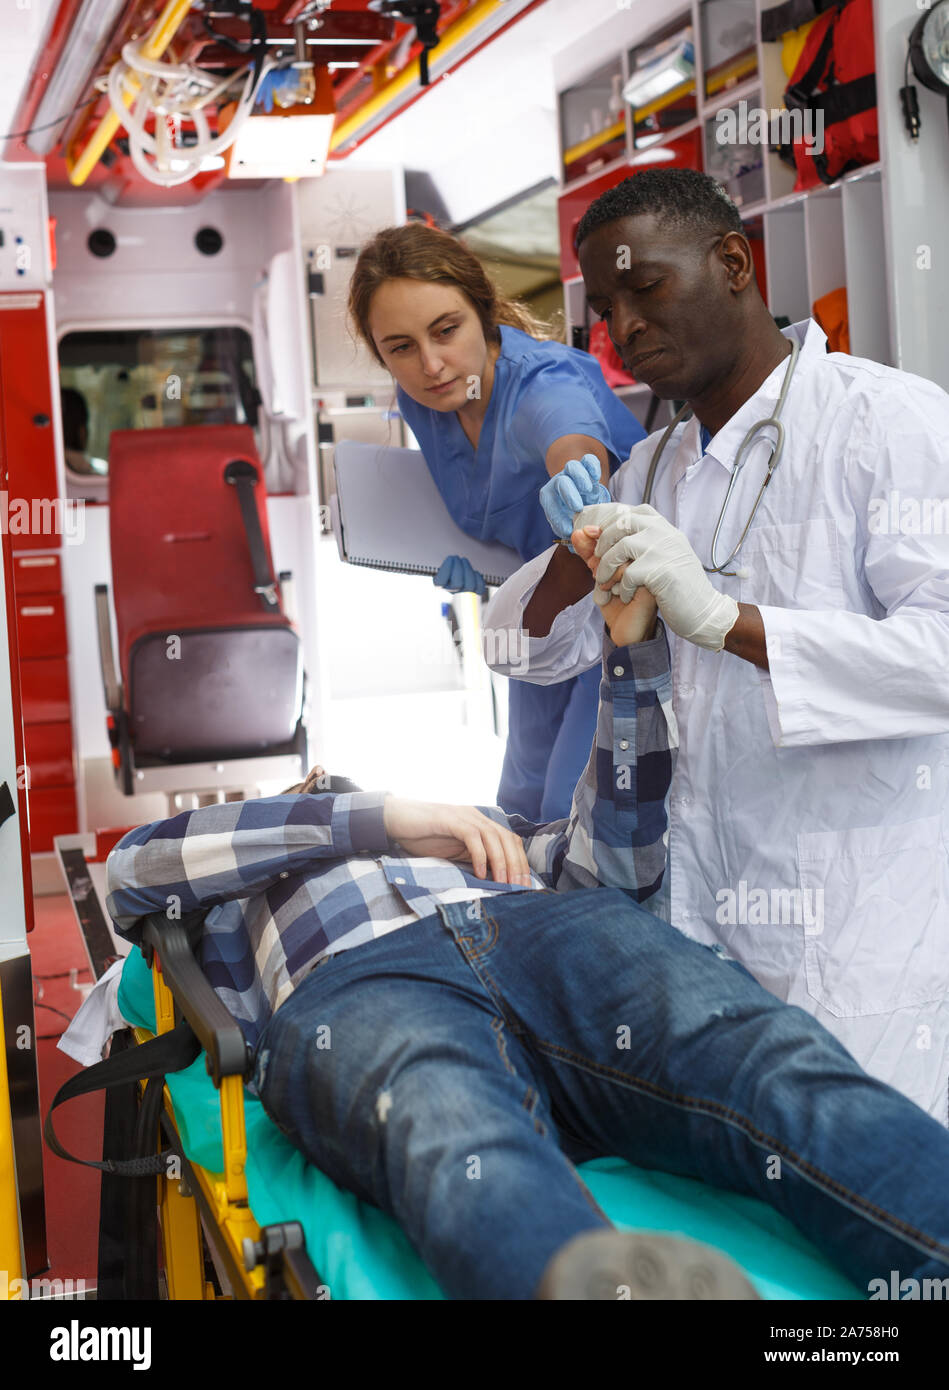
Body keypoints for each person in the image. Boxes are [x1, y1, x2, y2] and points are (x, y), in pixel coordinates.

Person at [105, 527, 949, 1301]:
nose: (329, 782)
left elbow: (621, 866)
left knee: (764, 1055)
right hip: (360, 983)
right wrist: (383, 816)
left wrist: (630, 655)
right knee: (447, 1120)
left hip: (553, 941)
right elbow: (132, 869)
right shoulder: (242, 880)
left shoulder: (485, 836)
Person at [483, 167, 949, 1123]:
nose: (626, 329)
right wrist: (576, 553)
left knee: (867, 1188)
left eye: (645, 288)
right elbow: (519, 647)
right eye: (606, 311)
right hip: (689, 912)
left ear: (733, 262)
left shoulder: (887, 423)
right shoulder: (651, 464)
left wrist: (722, 623)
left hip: (852, 924)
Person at [346, 222, 645, 822]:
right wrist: (484, 573)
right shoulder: (423, 402)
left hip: (620, 618)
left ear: (481, 311)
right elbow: (498, 509)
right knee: (519, 806)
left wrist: (579, 483)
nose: (430, 364)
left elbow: (571, 437)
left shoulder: (543, 385)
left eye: (446, 330)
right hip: (536, 619)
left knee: (574, 813)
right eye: (400, 347)